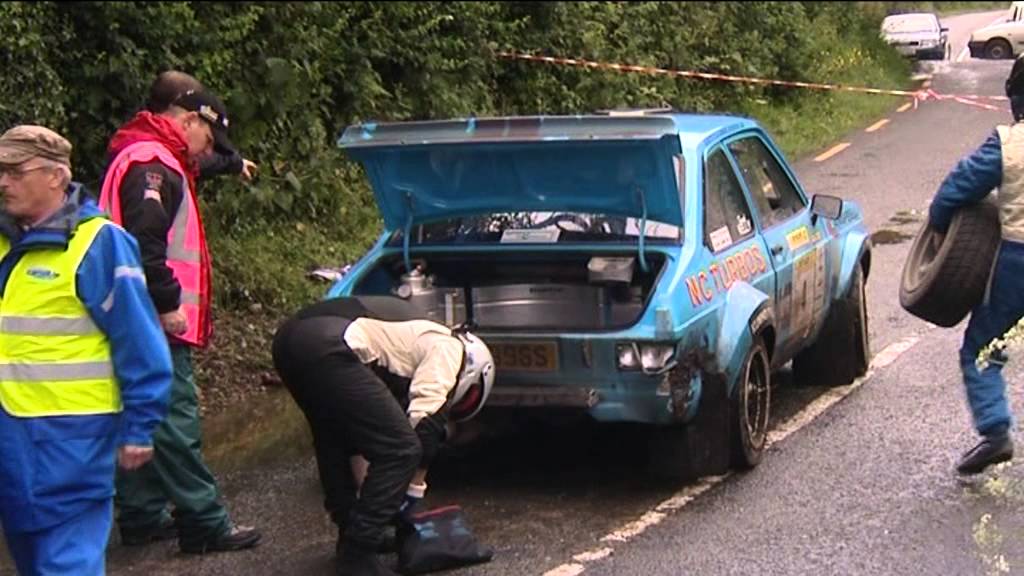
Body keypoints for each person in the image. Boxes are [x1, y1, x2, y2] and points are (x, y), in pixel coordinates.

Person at [0, 125, 172, 575]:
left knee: (65, 565)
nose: (3, 182)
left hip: (71, 443)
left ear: (57, 176)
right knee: (33, 559)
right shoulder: (4, 241)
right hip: (12, 442)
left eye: (15, 171)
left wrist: (140, 426)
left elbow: (140, 342)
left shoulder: (99, 244)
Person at [98, 87, 261, 552]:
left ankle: (142, 515)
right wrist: (169, 305)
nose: (208, 151)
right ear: (188, 121)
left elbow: (198, 166)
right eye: (209, 139)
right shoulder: (154, 166)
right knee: (173, 416)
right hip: (154, 316)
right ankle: (204, 521)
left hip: (128, 312)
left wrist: (232, 164)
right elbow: (146, 243)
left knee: (140, 412)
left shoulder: (143, 152)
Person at [271, 297, 495, 576]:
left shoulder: (411, 337)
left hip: (292, 340)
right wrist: (411, 498)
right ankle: (357, 554)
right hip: (330, 343)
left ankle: (352, 535)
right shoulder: (450, 347)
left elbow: (361, 445)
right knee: (402, 449)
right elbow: (426, 417)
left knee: (335, 439)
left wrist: (378, 501)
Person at [929, 54, 1024, 476]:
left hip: (1017, 262)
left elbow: (955, 191)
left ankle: (995, 432)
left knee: (983, 350)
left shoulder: (1008, 145)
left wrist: (938, 229)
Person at [144, 70, 258, 182]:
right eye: (207, 141)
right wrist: (235, 162)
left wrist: (236, 162)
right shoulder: (153, 162)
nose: (207, 152)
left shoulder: (140, 136)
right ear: (188, 119)